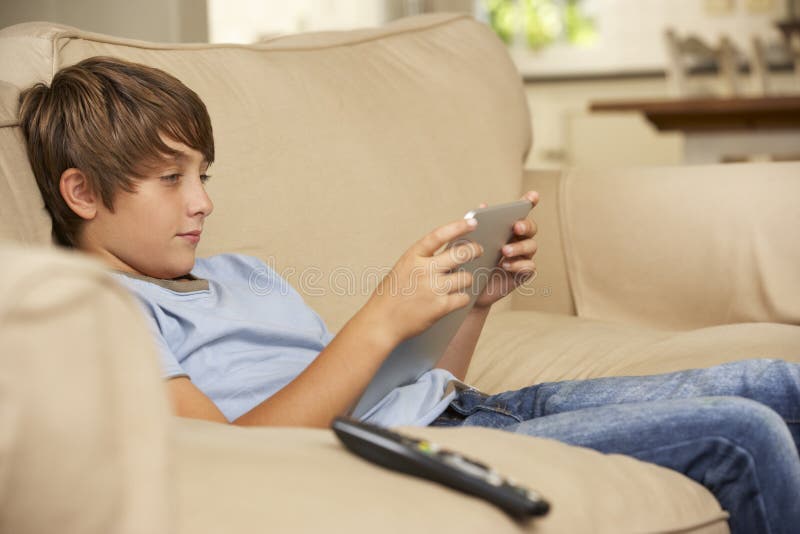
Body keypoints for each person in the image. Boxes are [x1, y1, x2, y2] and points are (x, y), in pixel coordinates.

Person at [19, 56, 799, 533]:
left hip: (467, 409)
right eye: (171, 180)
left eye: (203, 177)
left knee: (776, 379)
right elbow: (241, 448)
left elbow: (398, 386)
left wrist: (473, 304)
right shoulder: (107, 313)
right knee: (744, 433)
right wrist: (379, 314)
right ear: (83, 193)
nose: (202, 204)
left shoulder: (243, 275)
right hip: (419, 451)